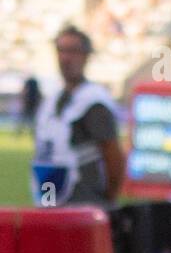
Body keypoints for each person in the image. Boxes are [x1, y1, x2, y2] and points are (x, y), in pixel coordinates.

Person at [30, 26, 124, 210]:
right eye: (61, 50)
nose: (66, 58)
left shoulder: (92, 102)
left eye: (73, 51)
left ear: (86, 56)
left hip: (83, 206)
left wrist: (106, 199)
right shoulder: (51, 102)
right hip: (51, 201)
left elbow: (113, 156)